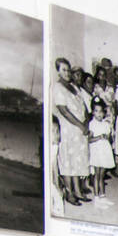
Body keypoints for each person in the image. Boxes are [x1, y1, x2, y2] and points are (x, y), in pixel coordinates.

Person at [52, 58, 90, 207]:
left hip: (80, 131)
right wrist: (81, 125)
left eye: (68, 70)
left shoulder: (74, 87)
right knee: (67, 160)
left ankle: (78, 191)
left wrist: (85, 123)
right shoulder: (57, 87)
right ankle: (69, 193)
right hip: (69, 130)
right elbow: (64, 111)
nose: (67, 73)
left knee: (77, 160)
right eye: (64, 70)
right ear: (58, 71)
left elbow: (84, 107)